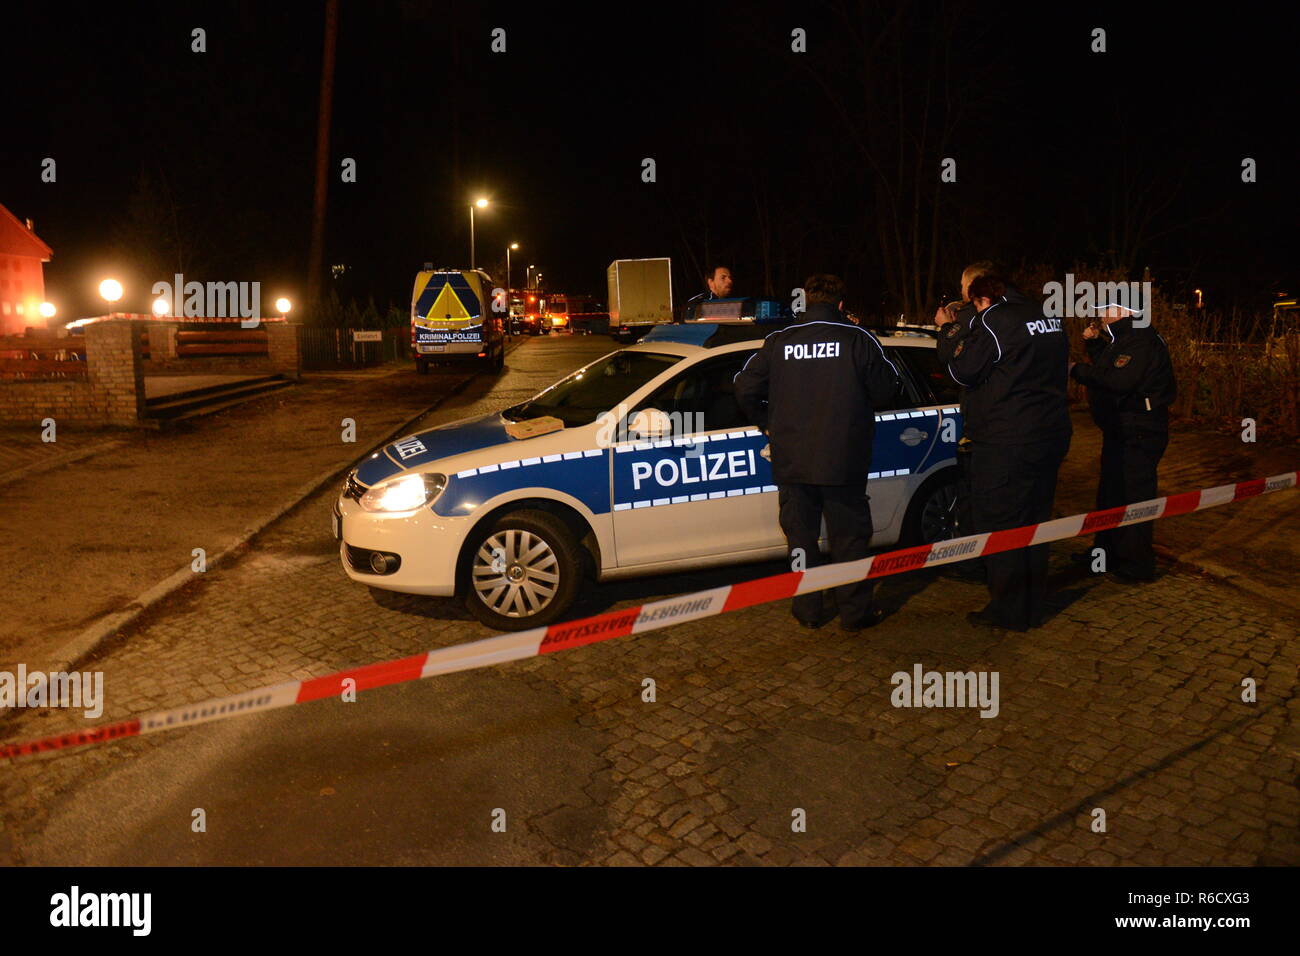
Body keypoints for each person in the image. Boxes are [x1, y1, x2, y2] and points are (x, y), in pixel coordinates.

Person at [734, 274, 900, 631]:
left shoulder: (779, 340)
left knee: (800, 540)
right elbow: (888, 388)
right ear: (841, 304)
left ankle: (807, 611)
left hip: (792, 459)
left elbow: (744, 386)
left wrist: (767, 421)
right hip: (843, 460)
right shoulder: (857, 338)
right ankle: (855, 613)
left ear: (807, 301)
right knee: (850, 540)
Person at [935, 270, 1072, 631]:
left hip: (1006, 441)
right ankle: (1031, 604)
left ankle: (1008, 610)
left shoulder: (995, 318)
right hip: (1050, 434)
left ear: (982, 297)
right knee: (1034, 522)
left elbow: (962, 373)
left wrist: (949, 331)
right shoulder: (1048, 316)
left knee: (1000, 526)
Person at [1069, 303, 1177, 581]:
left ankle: (1137, 564)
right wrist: (1094, 346)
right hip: (1122, 428)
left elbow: (1119, 381)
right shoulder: (1124, 339)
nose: (1102, 314)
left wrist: (1077, 370)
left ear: (1127, 312)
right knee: (1111, 493)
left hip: (1140, 430)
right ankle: (1105, 553)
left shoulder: (1140, 340)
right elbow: (1111, 366)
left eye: (1108, 308)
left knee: (1134, 496)